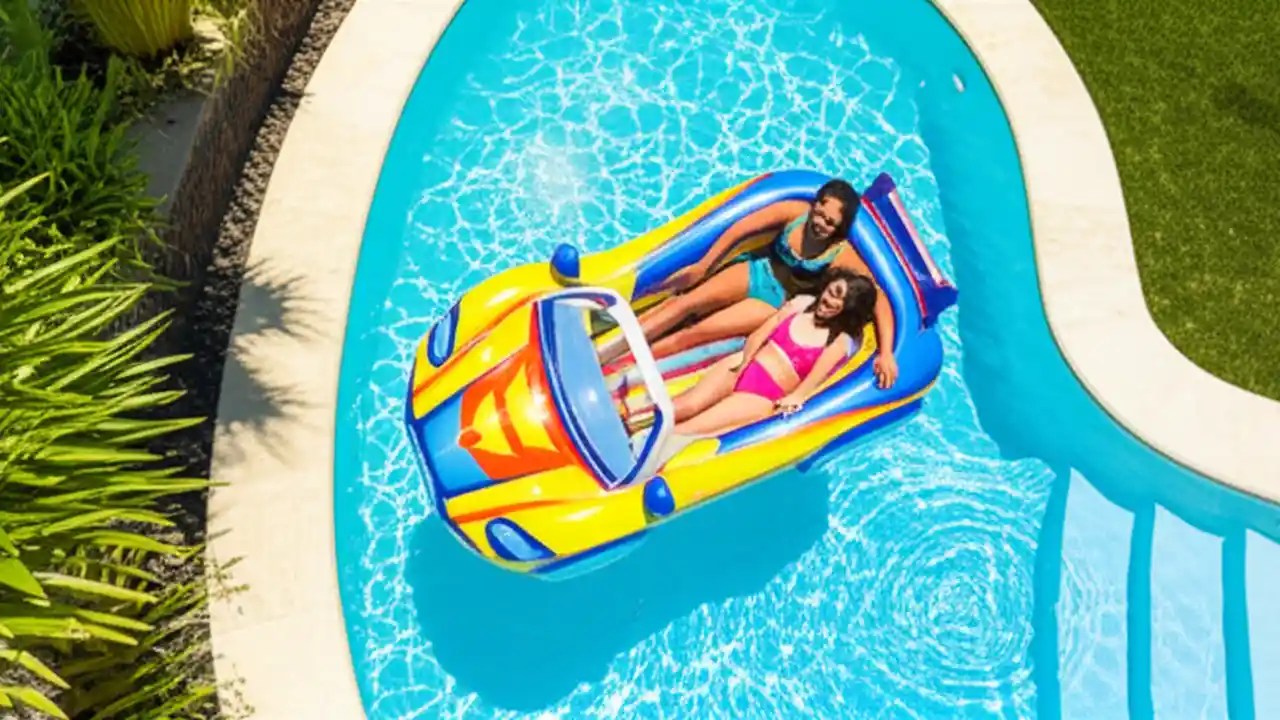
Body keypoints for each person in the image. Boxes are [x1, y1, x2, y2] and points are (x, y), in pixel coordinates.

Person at [603, 178, 898, 389]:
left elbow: (879, 298)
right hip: (757, 271)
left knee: (697, 332)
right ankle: (609, 350)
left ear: (841, 227)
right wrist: (704, 266)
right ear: (815, 203)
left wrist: (886, 353)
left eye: (830, 222)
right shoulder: (794, 212)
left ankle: (623, 368)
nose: (821, 223)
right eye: (820, 212)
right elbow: (741, 229)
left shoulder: (841, 253)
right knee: (684, 303)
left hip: (774, 301)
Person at [648, 266, 876, 439]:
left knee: (690, 428)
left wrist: (795, 399)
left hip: (764, 395)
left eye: (842, 301)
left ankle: (640, 459)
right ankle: (629, 425)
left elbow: (812, 382)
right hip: (745, 363)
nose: (831, 301)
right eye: (834, 291)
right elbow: (761, 334)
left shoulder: (840, 341)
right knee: (686, 405)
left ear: (849, 310)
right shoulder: (802, 304)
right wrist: (744, 364)